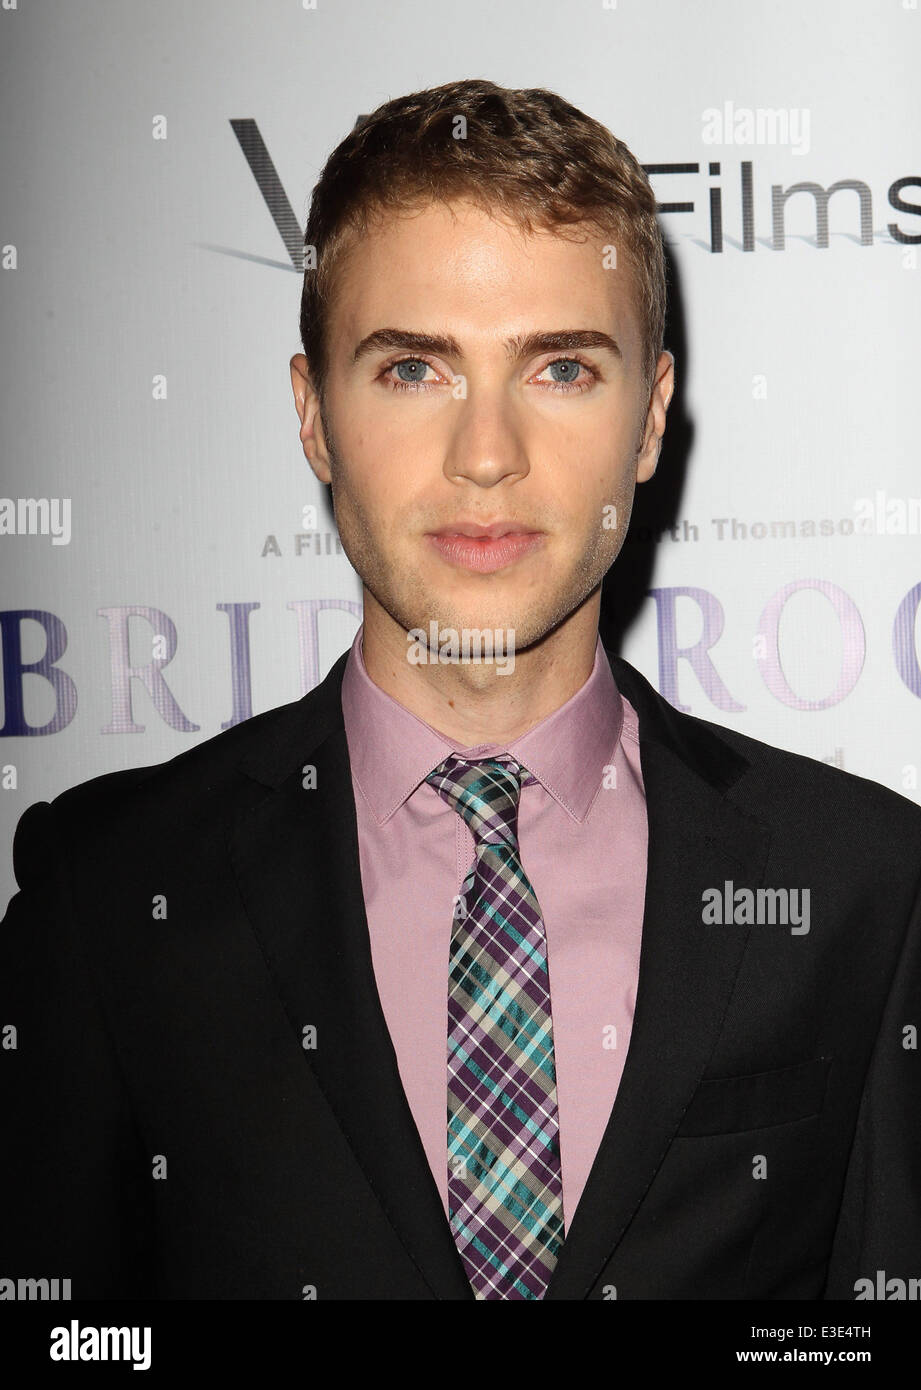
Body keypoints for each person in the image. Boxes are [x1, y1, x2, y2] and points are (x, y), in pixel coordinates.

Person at [1, 78, 919, 1302]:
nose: (486, 454)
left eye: (561, 369)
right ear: (314, 416)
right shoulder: (111, 892)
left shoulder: (861, 884)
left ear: (650, 419)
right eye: (413, 370)